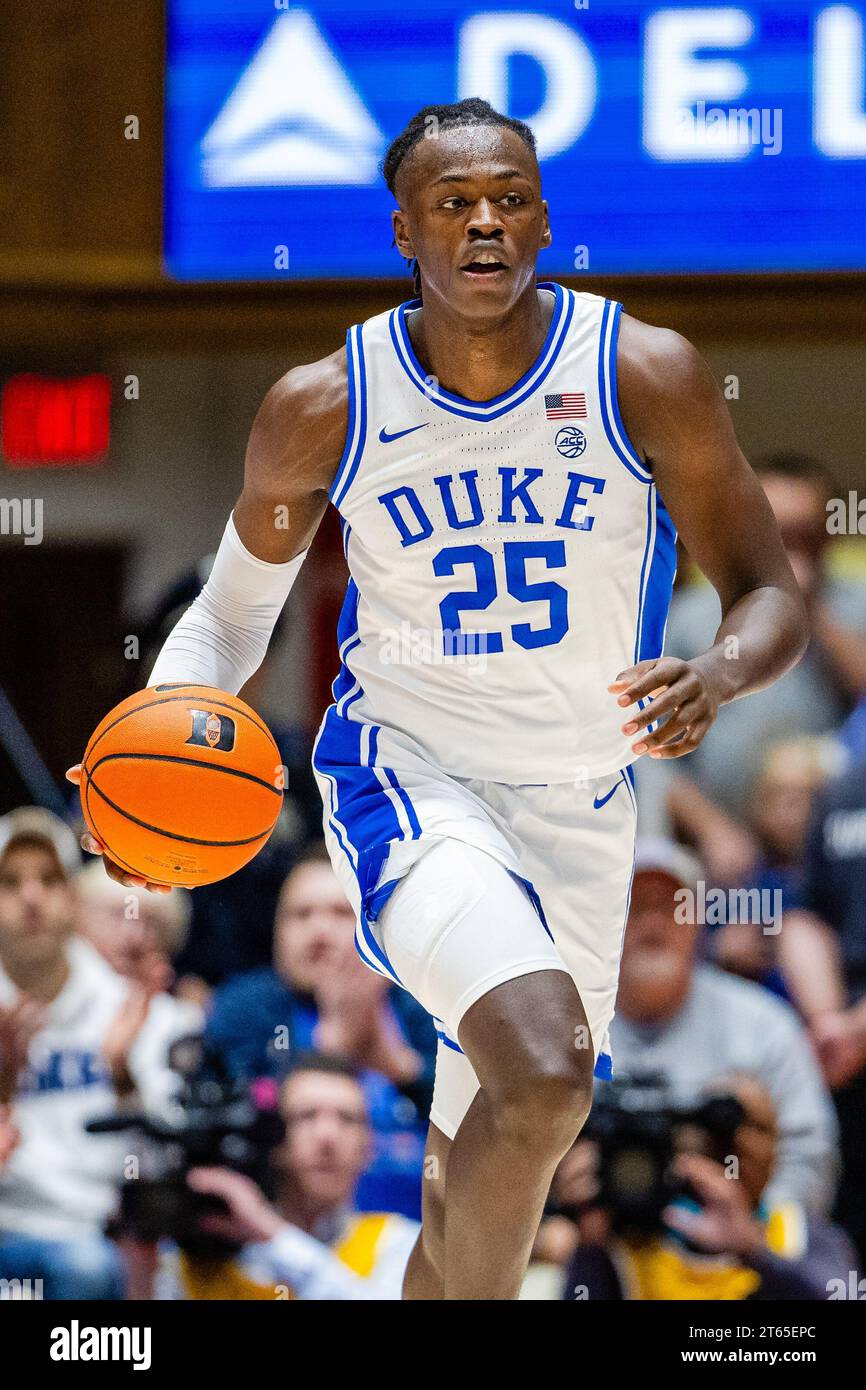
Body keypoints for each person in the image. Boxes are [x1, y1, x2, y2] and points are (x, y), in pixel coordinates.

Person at [68, 98, 807, 1300]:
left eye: (508, 199)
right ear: (402, 230)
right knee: (551, 1073)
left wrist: (718, 672)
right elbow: (228, 617)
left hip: (584, 799)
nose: (482, 224)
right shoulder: (325, 401)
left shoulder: (643, 372)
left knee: (472, 1181)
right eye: (452, 204)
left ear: (543, 222)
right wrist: (139, 766)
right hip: (409, 777)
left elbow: (764, 594)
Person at [0, 807, 203, 1299]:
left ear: (73, 898)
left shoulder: (141, 1011)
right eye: (9, 882)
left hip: (97, 1235)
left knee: (87, 1268)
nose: (31, 898)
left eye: (49, 880)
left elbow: (171, 1164)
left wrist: (122, 1074)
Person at [637, 452, 866, 880]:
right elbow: (645, 742)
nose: (787, 549)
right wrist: (712, 828)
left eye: (803, 536)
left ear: (830, 536)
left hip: (837, 845)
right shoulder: (690, 616)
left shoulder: (857, 604)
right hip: (717, 848)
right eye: (774, 532)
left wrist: (802, 609)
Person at [204, 846, 435, 1214]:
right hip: (284, 1230)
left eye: (340, 913)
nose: (319, 931)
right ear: (277, 930)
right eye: (301, 914)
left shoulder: (423, 1005)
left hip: (423, 1229)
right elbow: (237, 1123)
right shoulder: (243, 1008)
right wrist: (330, 1048)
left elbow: (480, 1122)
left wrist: (400, 1067)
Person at [610, 840, 838, 1214]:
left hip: (739, 1251)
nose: (652, 926)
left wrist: (754, 1235)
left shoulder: (765, 1025)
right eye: (634, 908)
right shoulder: (566, 1029)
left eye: (671, 907)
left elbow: (811, 1153)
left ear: (698, 922)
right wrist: (555, 1212)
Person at [561, 1074, 857, 1301]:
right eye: (722, 1130)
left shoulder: (799, 1233)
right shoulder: (636, 1237)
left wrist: (754, 1249)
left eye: (757, 1127)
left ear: (777, 1146)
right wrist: (591, 1248)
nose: (741, 1142)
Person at [155, 1054, 419, 1300]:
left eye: (347, 1119)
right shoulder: (209, 1250)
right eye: (306, 1116)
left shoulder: (401, 1245)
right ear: (275, 1139)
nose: (327, 1136)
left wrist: (273, 1235)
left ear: (368, 1146)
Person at [777, 753, 866, 1264]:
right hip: (842, 1058)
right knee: (843, 1232)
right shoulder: (842, 793)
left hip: (852, 1036)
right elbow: (804, 916)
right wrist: (829, 1021)